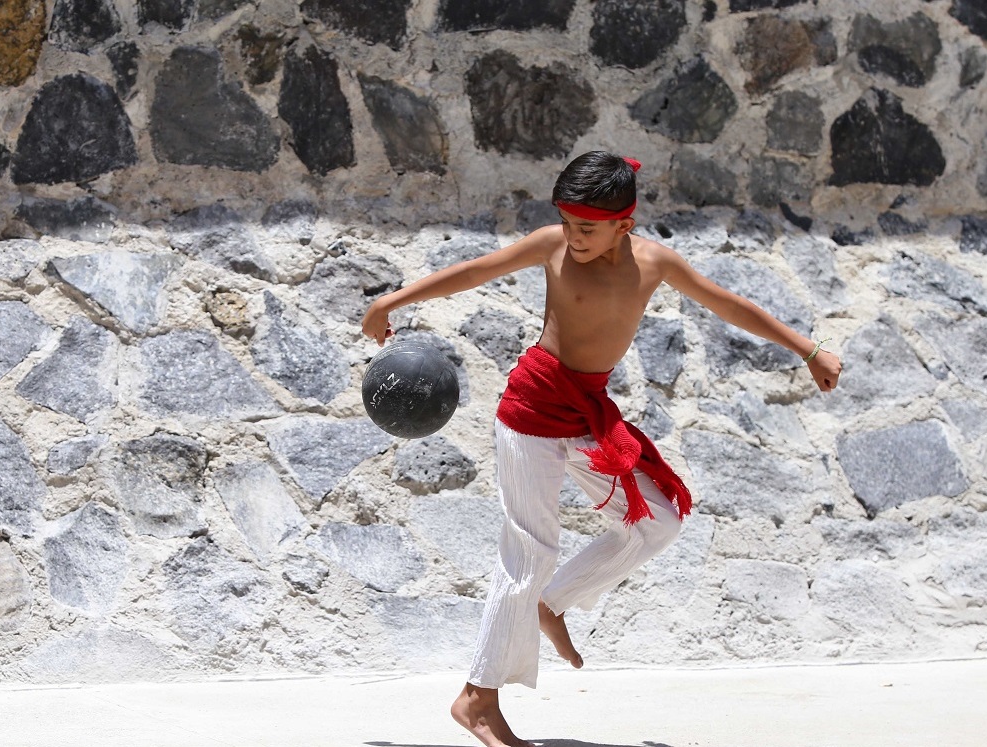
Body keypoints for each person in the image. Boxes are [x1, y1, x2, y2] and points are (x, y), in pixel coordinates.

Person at [360, 151, 842, 747]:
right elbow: (474, 270)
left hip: (588, 414)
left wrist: (807, 348)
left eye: (586, 227)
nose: (573, 237)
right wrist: (391, 302)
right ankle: (477, 700)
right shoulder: (552, 246)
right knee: (528, 554)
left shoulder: (656, 263)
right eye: (566, 222)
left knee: (657, 522)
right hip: (532, 410)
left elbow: (728, 304)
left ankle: (554, 605)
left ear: (624, 222)